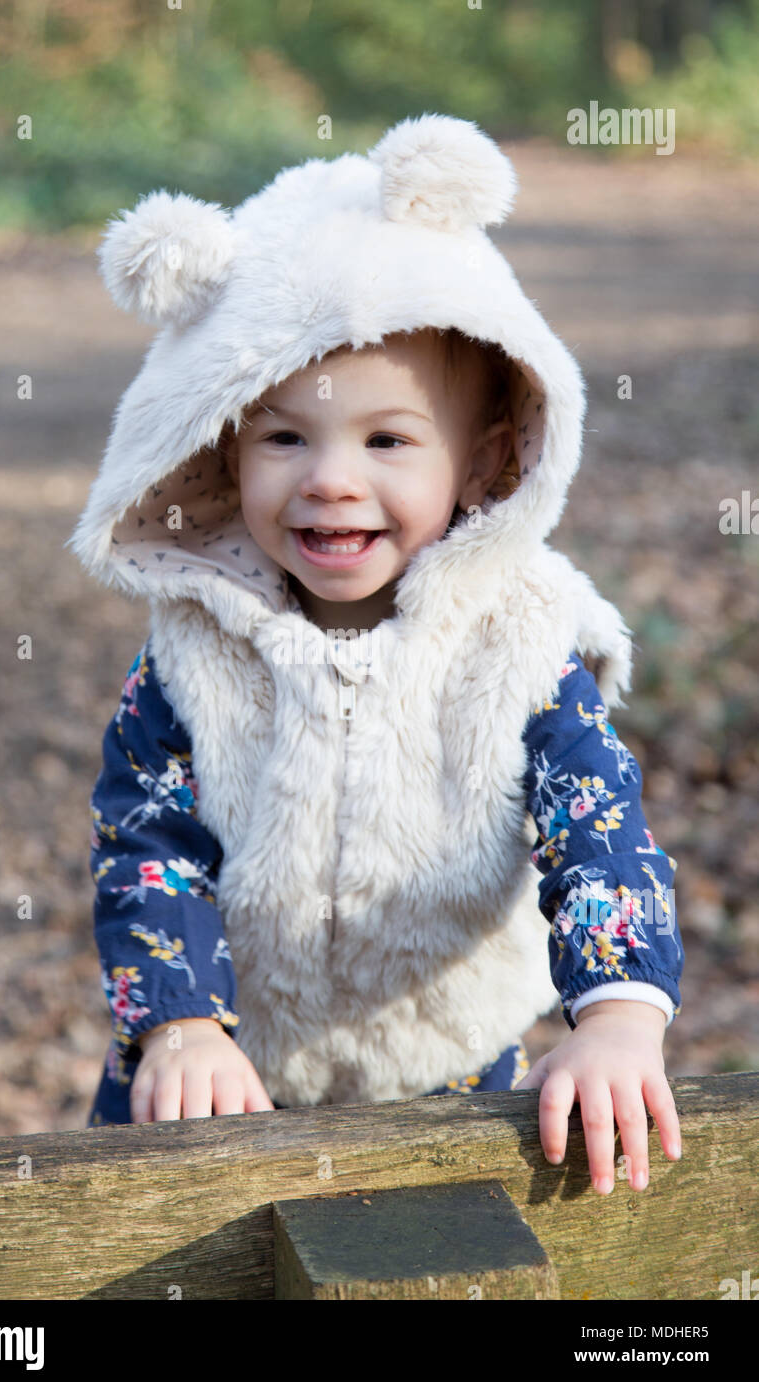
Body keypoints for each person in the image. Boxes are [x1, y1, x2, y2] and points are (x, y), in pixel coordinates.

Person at [67, 114, 684, 1196]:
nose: (330, 480)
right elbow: (146, 848)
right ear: (221, 445)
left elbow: (598, 835)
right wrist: (176, 1027)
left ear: (486, 459)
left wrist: (619, 1018)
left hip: (447, 1077)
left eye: (386, 440)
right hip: (223, 1077)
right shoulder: (193, 654)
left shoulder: (518, 641)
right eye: (284, 437)